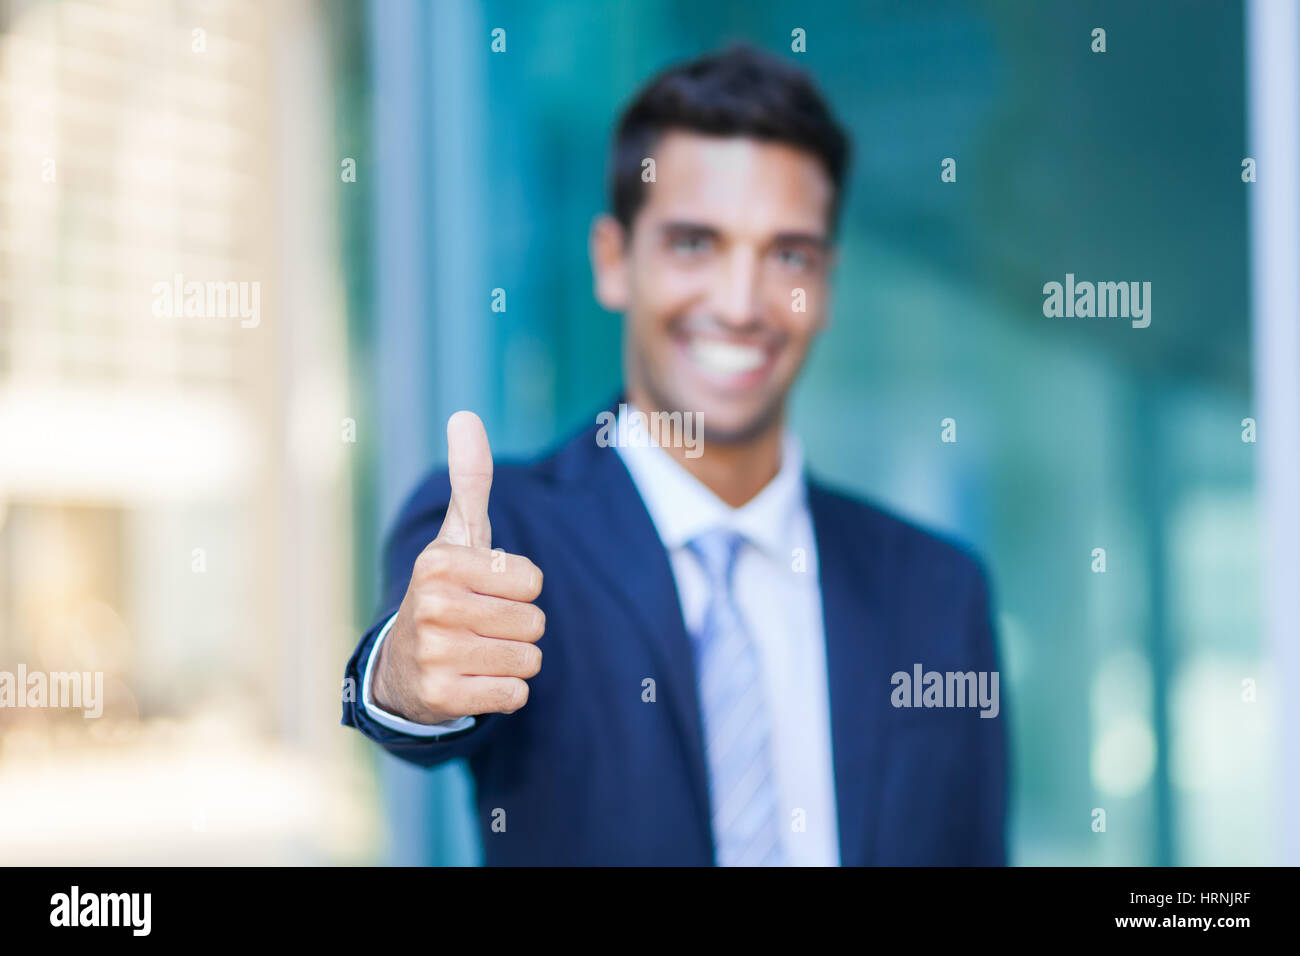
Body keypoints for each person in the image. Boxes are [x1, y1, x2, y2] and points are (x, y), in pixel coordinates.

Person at [341, 44, 1008, 866]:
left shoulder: (939, 592)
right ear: (614, 261)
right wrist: (403, 675)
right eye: (695, 244)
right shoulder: (508, 536)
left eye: (788, 255)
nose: (738, 302)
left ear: (825, 286)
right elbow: (407, 691)